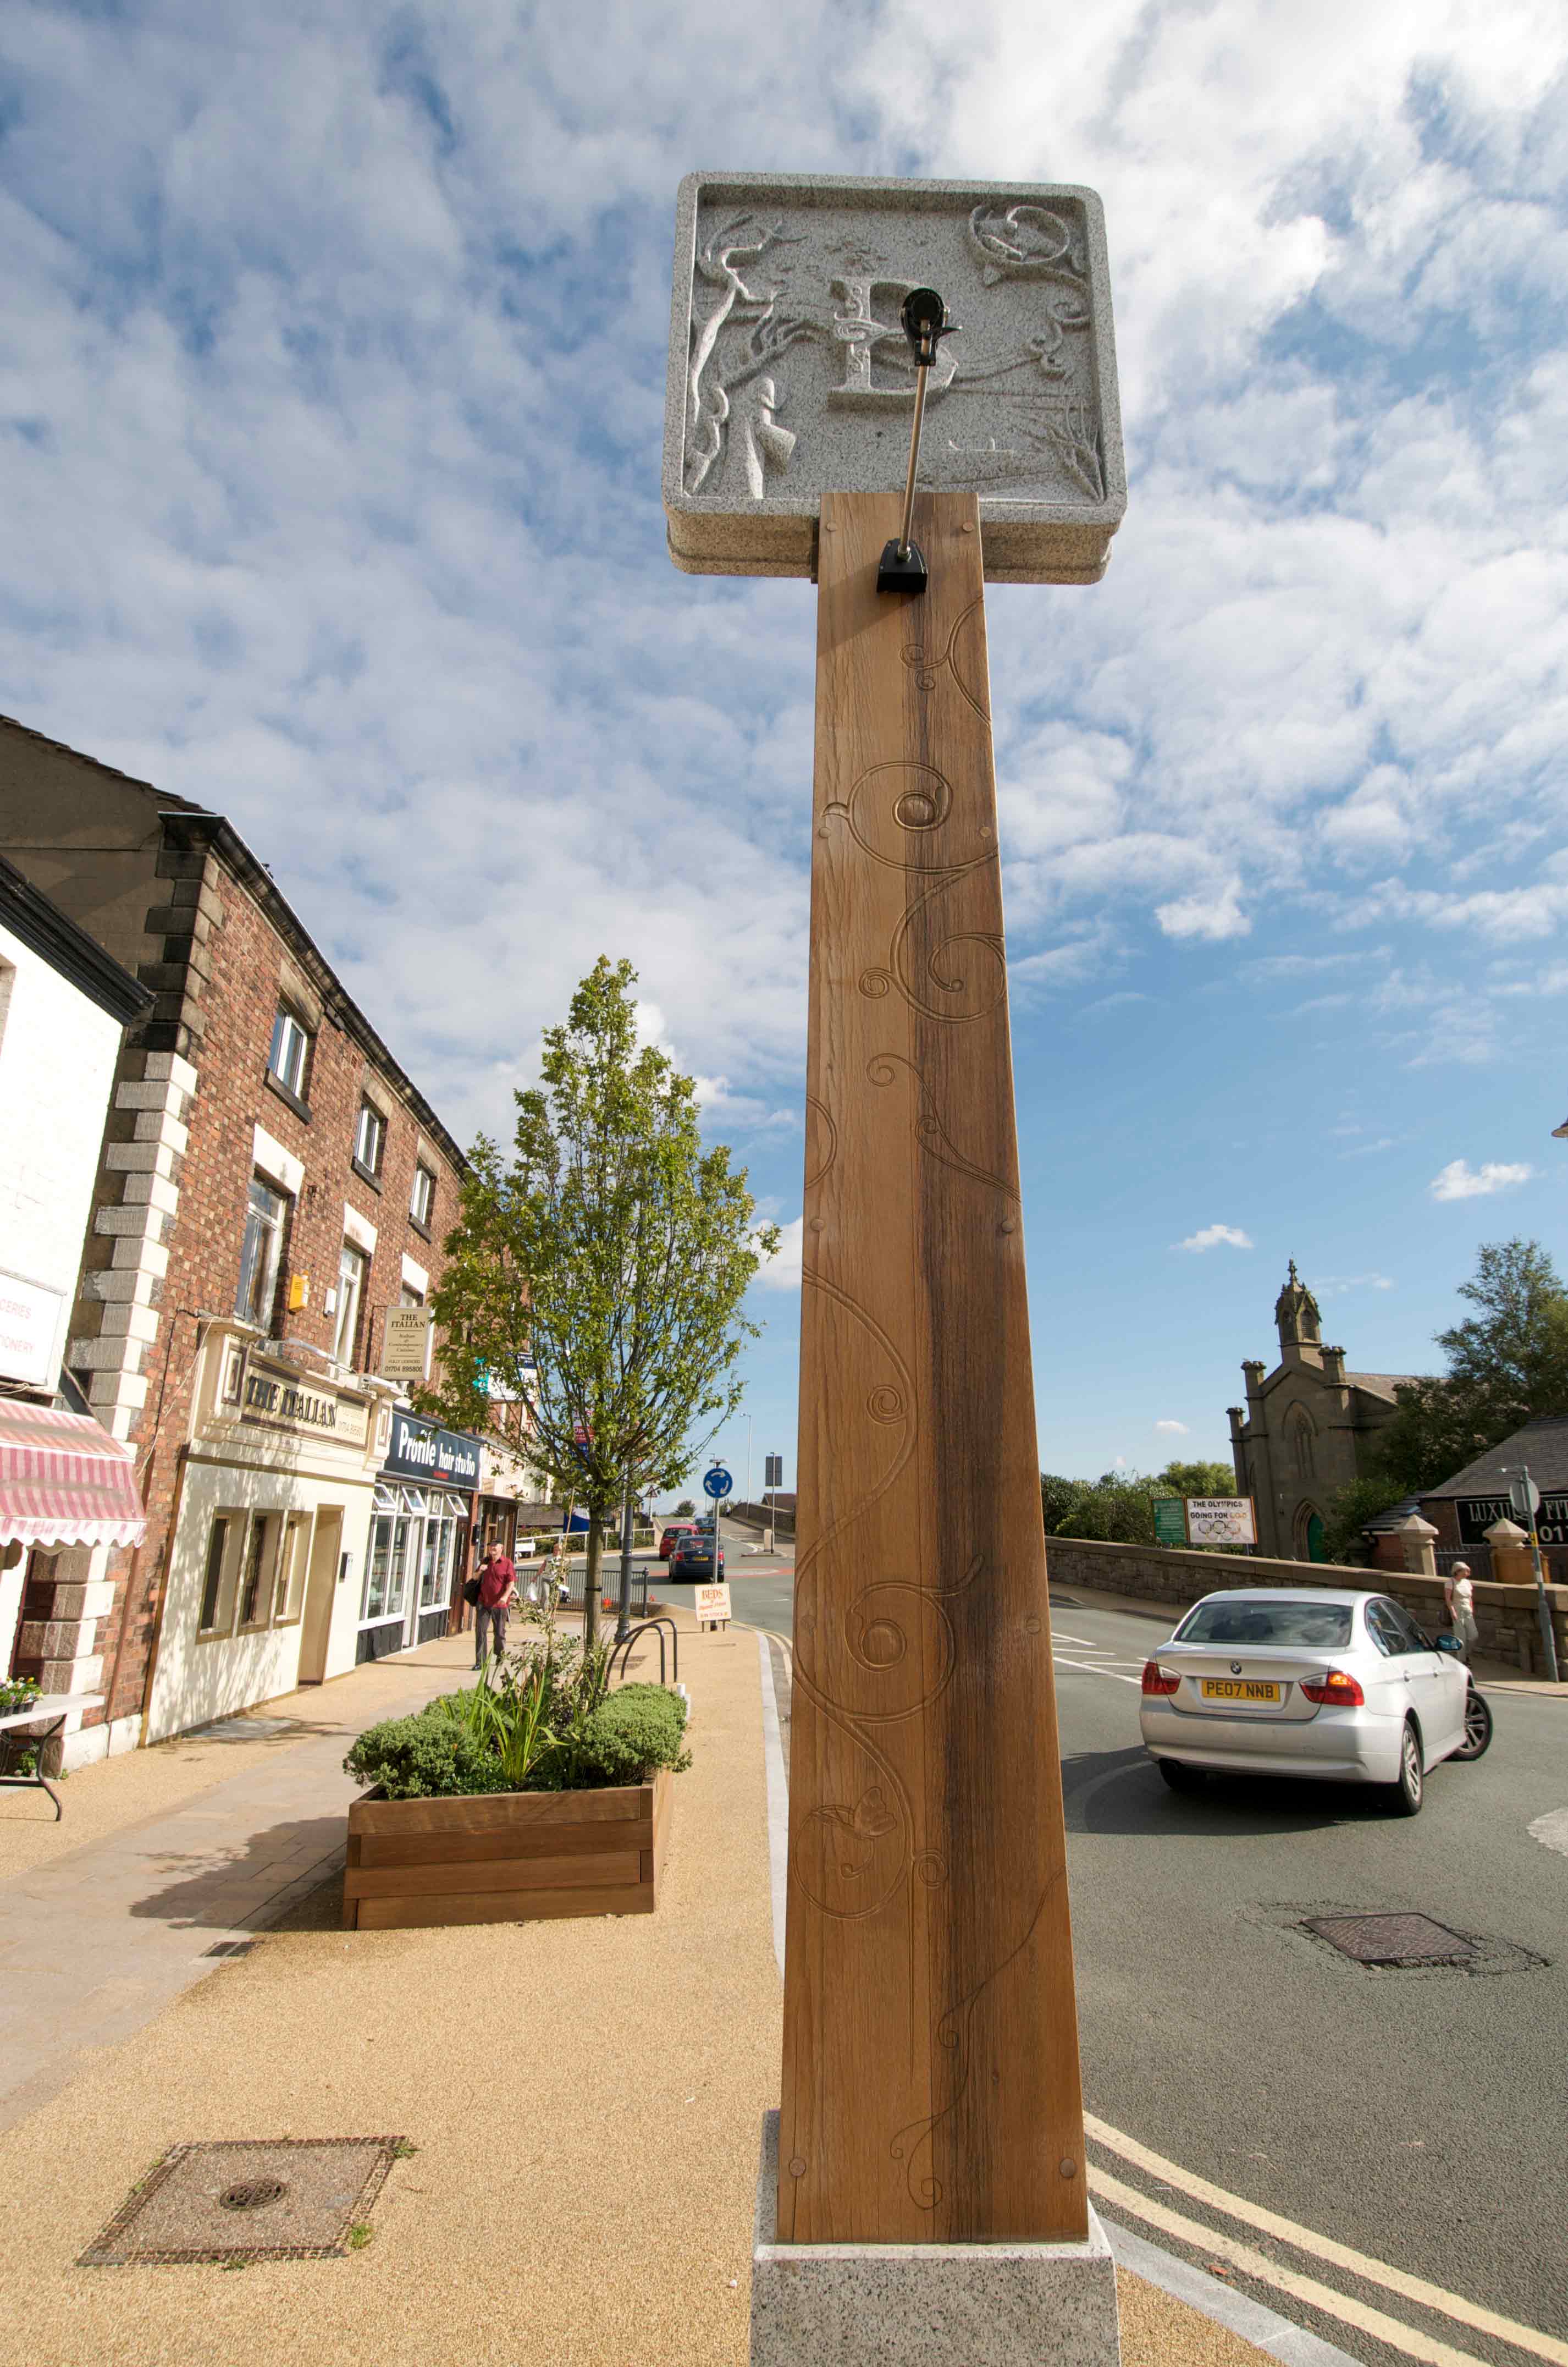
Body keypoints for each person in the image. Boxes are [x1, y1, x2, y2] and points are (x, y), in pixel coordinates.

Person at [474, 1543, 516, 1670]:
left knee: (499, 1633)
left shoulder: (507, 1563)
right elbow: (474, 1578)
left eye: (495, 1546)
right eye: (490, 1546)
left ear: (502, 1548)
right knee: (480, 1632)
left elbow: (511, 1583)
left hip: (500, 1605)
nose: (492, 1548)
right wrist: (480, 1571)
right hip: (483, 1603)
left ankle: (499, 1655)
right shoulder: (485, 1561)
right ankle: (480, 1662)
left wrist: (505, 1597)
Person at [1444, 1560, 1478, 1660]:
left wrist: (1471, 1609)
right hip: (1457, 1610)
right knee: (1461, 1638)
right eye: (1463, 1571)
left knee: (1474, 1635)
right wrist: (1453, 1612)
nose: (1466, 1573)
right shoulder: (1450, 1582)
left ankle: (1467, 1655)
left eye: (1467, 1571)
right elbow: (1448, 1599)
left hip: (1468, 1611)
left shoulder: (1467, 1583)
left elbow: (1470, 1597)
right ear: (1457, 1571)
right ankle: (1462, 1660)